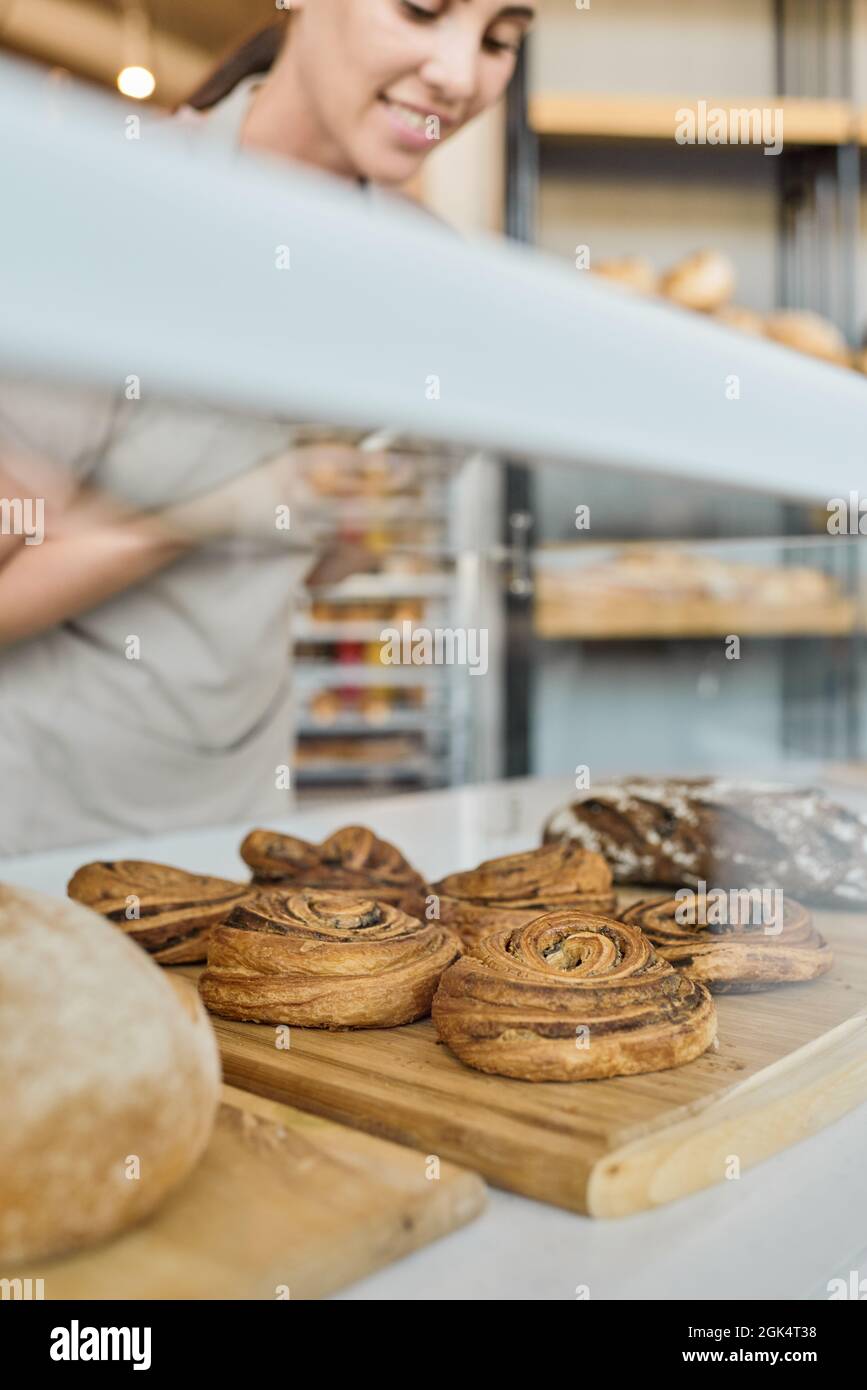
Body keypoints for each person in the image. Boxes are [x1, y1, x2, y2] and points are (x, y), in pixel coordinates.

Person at [0, 0, 536, 855]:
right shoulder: (115, 216)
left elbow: (323, 564)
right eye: (422, 10)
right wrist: (237, 504)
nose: (460, 73)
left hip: (242, 817)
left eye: (500, 39)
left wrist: (375, 487)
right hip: (39, 834)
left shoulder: (434, 285)